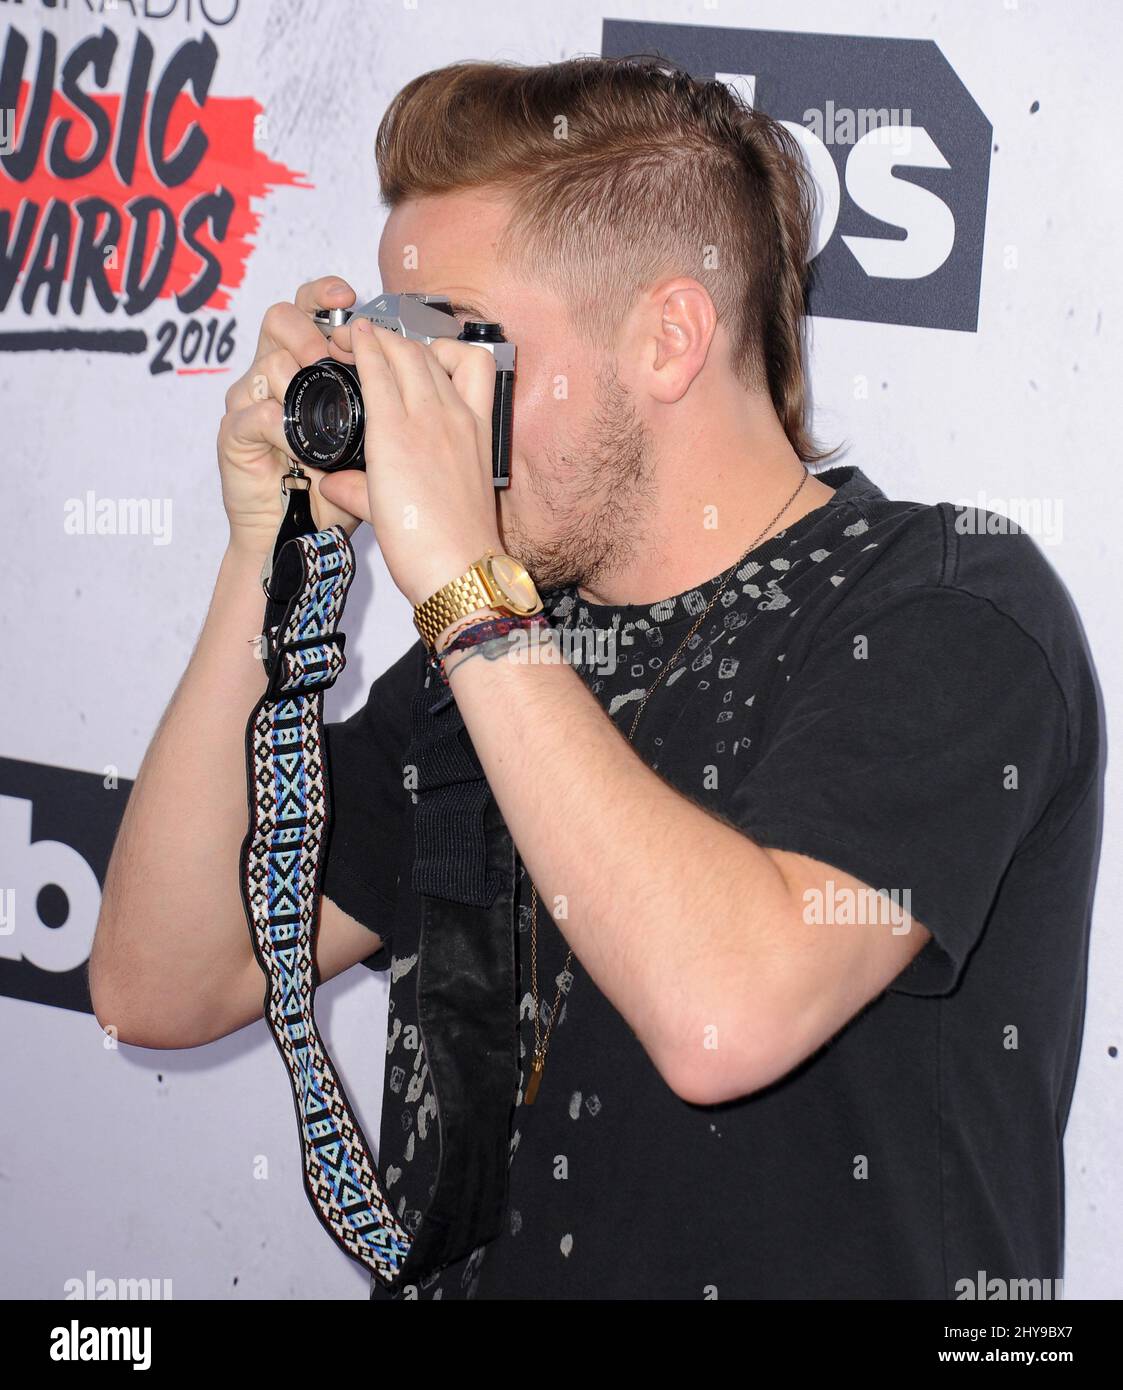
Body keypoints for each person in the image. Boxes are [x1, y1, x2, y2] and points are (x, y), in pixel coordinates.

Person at [90, 55, 1102, 1300]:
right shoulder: (496, 644)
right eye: (396, 347)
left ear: (668, 338)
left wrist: (463, 581)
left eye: (454, 340)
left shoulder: (943, 609)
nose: (418, 397)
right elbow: (158, 983)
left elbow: (721, 1015)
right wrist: (263, 548)